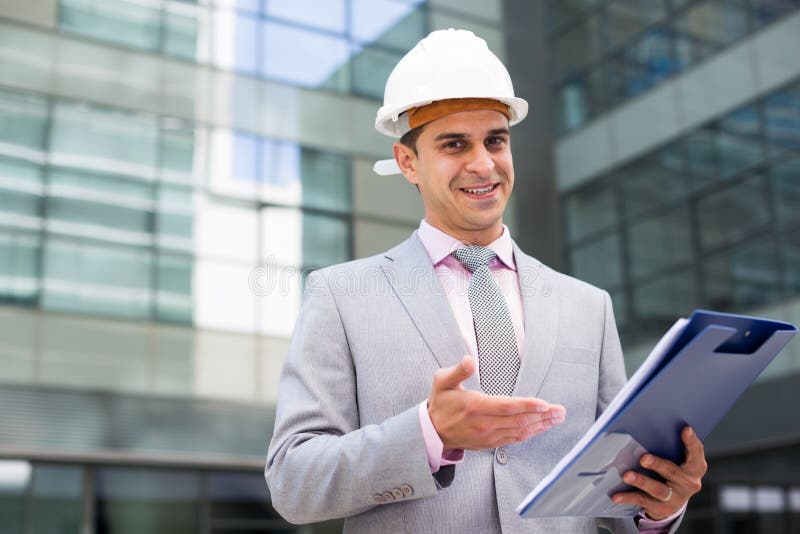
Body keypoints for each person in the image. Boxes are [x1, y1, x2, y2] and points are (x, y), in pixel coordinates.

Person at [265, 29, 706, 533]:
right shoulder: (341, 297)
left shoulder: (588, 306)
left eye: (495, 140)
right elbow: (292, 482)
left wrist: (659, 506)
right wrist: (428, 433)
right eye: (455, 144)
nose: (483, 163)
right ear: (408, 162)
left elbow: (613, 505)